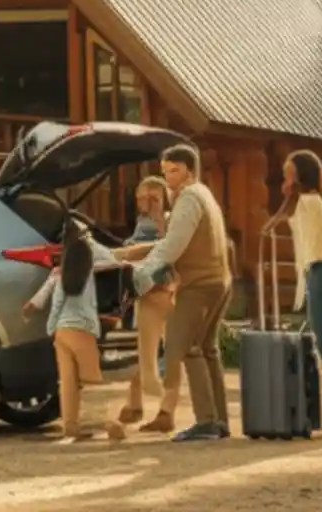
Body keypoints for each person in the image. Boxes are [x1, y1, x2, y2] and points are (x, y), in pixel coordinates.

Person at [115, 144, 233, 442]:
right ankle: (219, 420)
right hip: (218, 281)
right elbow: (172, 242)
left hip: (198, 285)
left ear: (189, 171)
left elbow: (173, 246)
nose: (169, 177)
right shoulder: (203, 195)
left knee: (188, 347)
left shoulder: (189, 199)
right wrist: (127, 253)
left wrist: (143, 271)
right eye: (166, 171)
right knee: (207, 349)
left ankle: (206, 421)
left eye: (175, 171)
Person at [261, 149, 322, 431]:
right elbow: (286, 217)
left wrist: (282, 203)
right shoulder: (317, 201)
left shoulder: (307, 202)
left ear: (301, 175)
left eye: (289, 173)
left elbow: (287, 214)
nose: (285, 178)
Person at [23, 223, 126, 443]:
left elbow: (54, 301)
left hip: (62, 332)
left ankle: (70, 427)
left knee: (67, 382)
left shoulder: (61, 275)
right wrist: (88, 241)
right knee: (91, 380)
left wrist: (51, 328)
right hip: (83, 330)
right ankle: (107, 423)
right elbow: (111, 259)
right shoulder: (88, 275)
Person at [118, 176, 175, 425]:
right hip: (148, 292)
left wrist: (160, 219)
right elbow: (135, 247)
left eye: (153, 198)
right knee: (147, 353)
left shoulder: (171, 219)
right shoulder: (141, 223)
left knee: (171, 354)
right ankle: (135, 403)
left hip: (167, 290)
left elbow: (168, 247)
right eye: (141, 198)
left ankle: (164, 410)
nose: (146, 204)